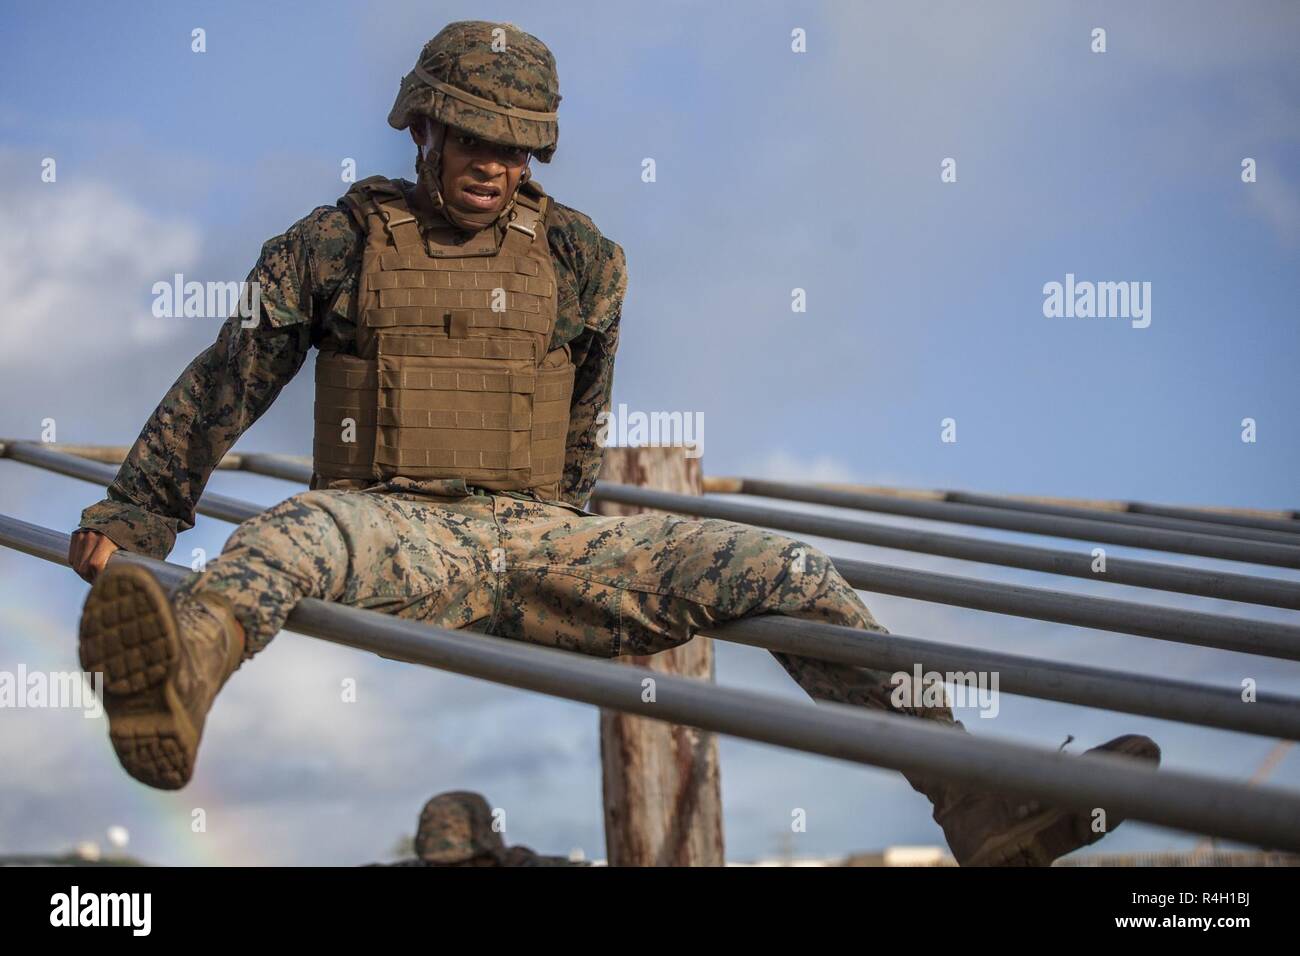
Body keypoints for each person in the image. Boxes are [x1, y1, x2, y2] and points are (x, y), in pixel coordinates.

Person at [70, 20, 1158, 866]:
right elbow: (230, 378)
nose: (495, 163)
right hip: (385, 523)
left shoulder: (586, 258)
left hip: (545, 537)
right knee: (283, 537)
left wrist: (567, 546)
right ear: (422, 128)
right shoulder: (336, 243)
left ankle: (977, 799)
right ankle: (178, 675)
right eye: (473, 137)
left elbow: (579, 427)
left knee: (783, 565)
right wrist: (137, 515)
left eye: (516, 143)